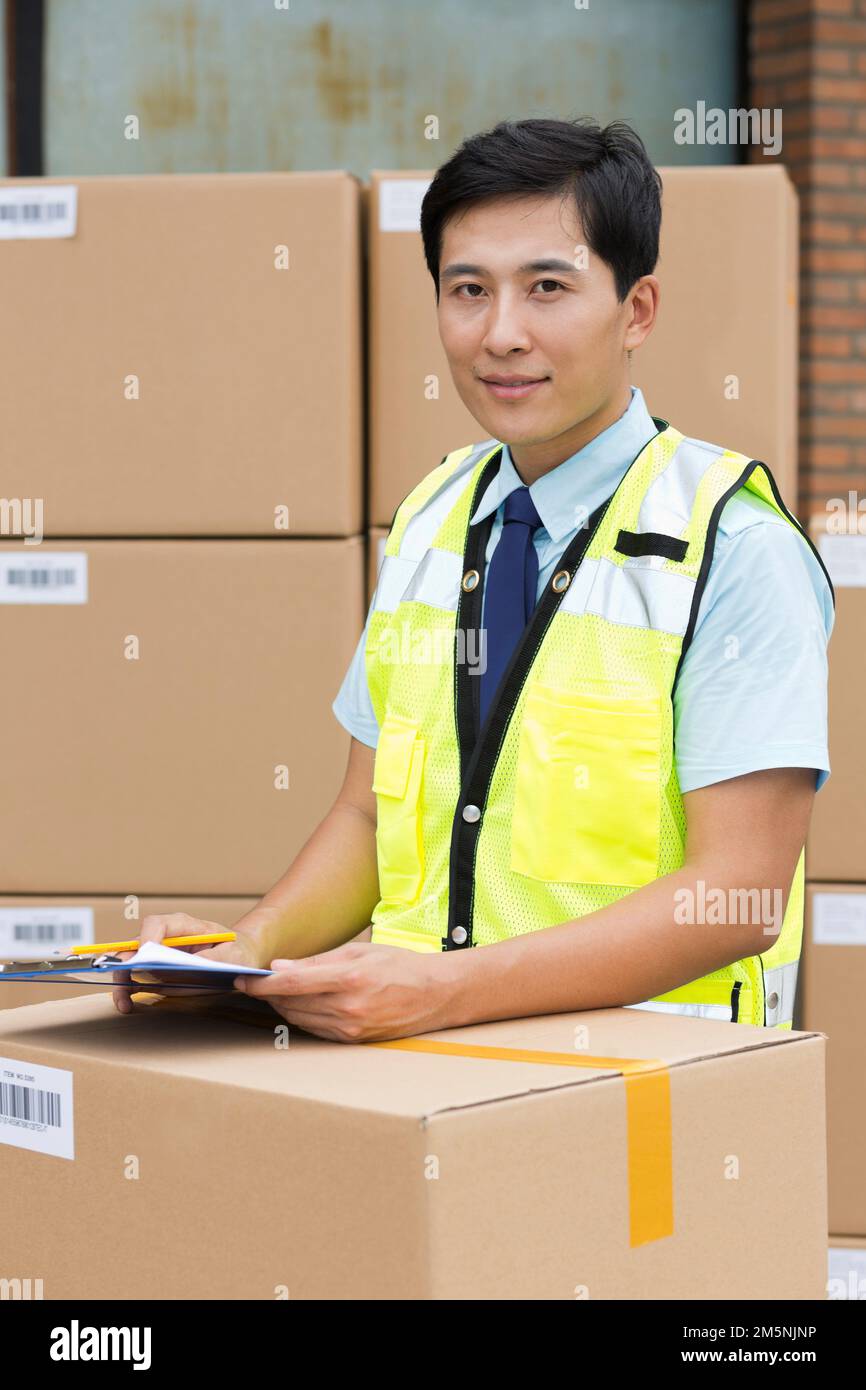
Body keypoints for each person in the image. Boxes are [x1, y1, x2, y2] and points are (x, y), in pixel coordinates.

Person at [114, 117, 834, 1041]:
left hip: (646, 1095)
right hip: (426, 1075)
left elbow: (740, 894)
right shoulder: (430, 519)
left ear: (638, 310)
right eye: (468, 290)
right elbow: (369, 818)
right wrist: (245, 951)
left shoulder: (732, 546)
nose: (500, 334)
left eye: (547, 288)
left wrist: (444, 991)